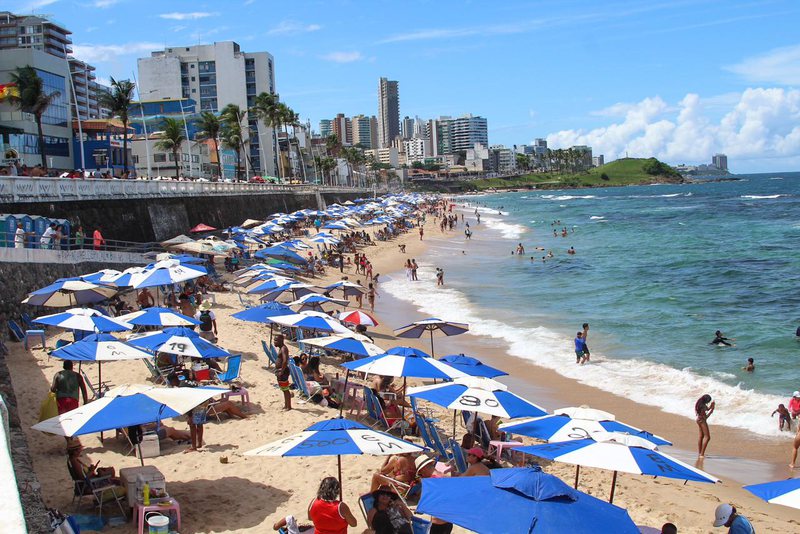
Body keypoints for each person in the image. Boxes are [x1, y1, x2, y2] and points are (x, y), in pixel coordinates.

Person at [274, 334, 292, 411]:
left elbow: (285, 360)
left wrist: (282, 371)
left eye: (276, 340)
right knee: (283, 389)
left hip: (283, 371)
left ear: (281, 341)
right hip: (281, 371)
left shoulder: (284, 348)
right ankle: (286, 405)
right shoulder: (281, 348)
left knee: (285, 389)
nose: (274, 342)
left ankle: (288, 406)